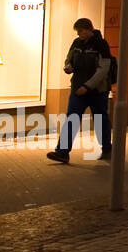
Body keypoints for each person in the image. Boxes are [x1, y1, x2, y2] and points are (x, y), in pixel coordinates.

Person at [47, 18, 114, 163]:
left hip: (97, 91)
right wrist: (68, 67)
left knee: (100, 119)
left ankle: (107, 148)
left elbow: (103, 69)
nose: (79, 34)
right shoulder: (77, 43)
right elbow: (68, 59)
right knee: (71, 118)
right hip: (78, 89)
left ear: (89, 29)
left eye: (81, 31)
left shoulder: (101, 45)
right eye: (77, 32)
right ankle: (62, 152)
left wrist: (88, 86)